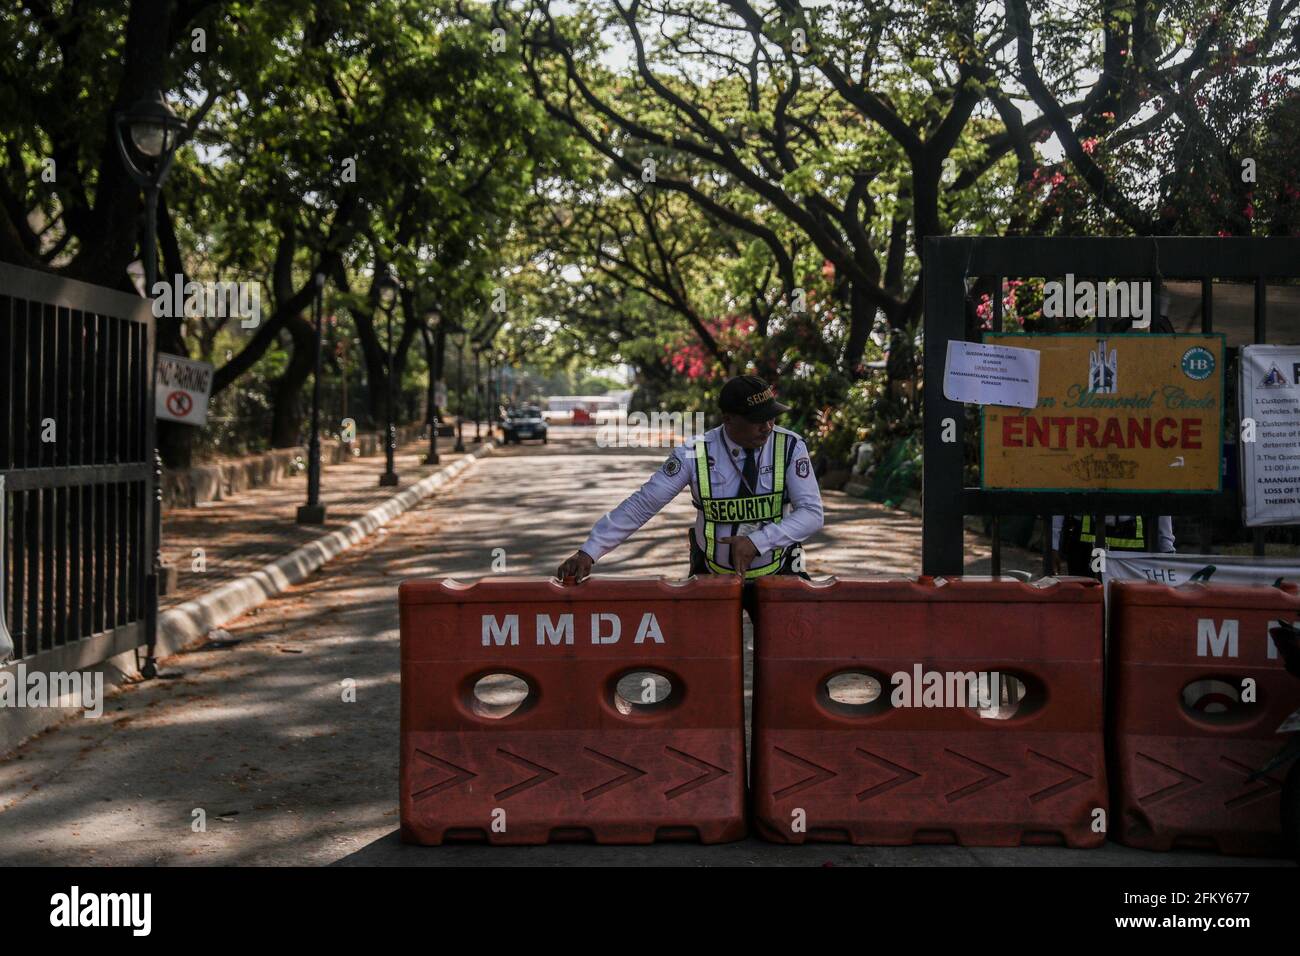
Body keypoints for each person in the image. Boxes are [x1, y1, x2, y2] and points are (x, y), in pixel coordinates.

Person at [556, 375, 824, 611]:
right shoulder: (694, 454)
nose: (767, 426)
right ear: (727, 419)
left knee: (792, 655)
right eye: (756, 420)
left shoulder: (789, 446)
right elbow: (643, 504)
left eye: (771, 416)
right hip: (712, 574)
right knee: (707, 660)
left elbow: (812, 514)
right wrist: (589, 551)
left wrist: (759, 542)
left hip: (780, 572)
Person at [1052, 514, 1175, 577]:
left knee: (1129, 602)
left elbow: (1159, 488)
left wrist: (1166, 547)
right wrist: (1053, 544)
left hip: (1131, 544)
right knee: (1088, 603)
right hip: (1085, 546)